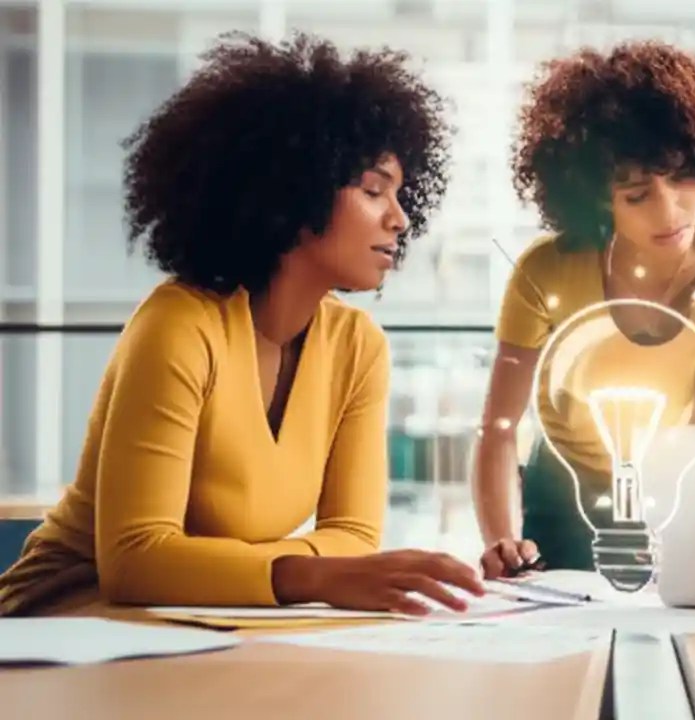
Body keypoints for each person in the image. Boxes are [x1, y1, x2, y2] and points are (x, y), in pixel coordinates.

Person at [0, 32, 485, 617]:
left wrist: (291, 573)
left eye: (402, 195)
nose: (399, 218)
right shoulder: (180, 325)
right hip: (64, 619)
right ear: (294, 190)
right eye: (373, 190)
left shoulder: (357, 348)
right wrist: (309, 573)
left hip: (212, 621)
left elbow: (353, 539)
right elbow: (135, 559)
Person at [473, 41, 695, 578]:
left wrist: (664, 513)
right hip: (561, 485)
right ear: (596, 198)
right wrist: (503, 539)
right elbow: (499, 429)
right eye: (637, 195)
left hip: (675, 476)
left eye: (682, 177)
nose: (670, 211)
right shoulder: (544, 269)